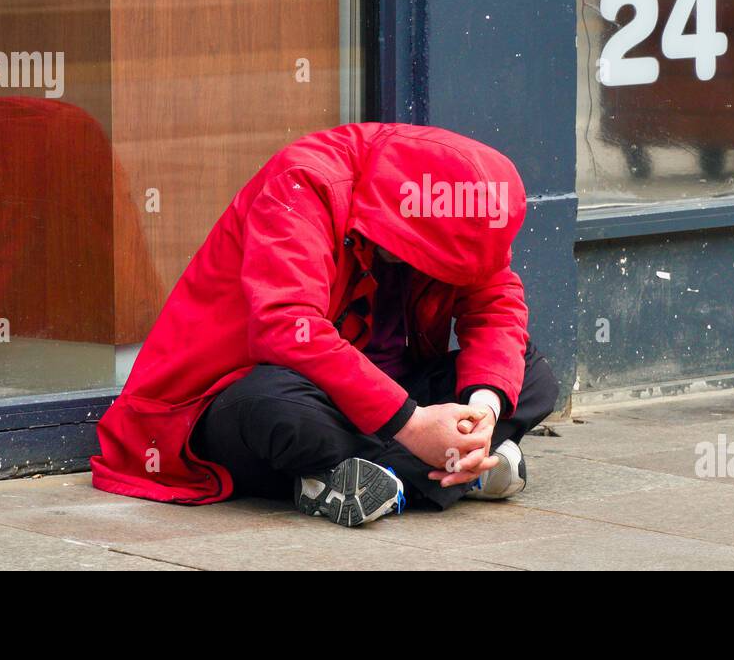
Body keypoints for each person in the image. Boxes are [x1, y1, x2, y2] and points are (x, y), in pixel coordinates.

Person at [91, 123, 560, 526]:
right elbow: (285, 326)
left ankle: (367, 479)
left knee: (526, 370)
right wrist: (414, 425)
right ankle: (457, 473)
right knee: (275, 408)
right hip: (241, 393)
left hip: (383, 396)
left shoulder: (466, 205)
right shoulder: (305, 181)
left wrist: (482, 413)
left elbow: (496, 307)